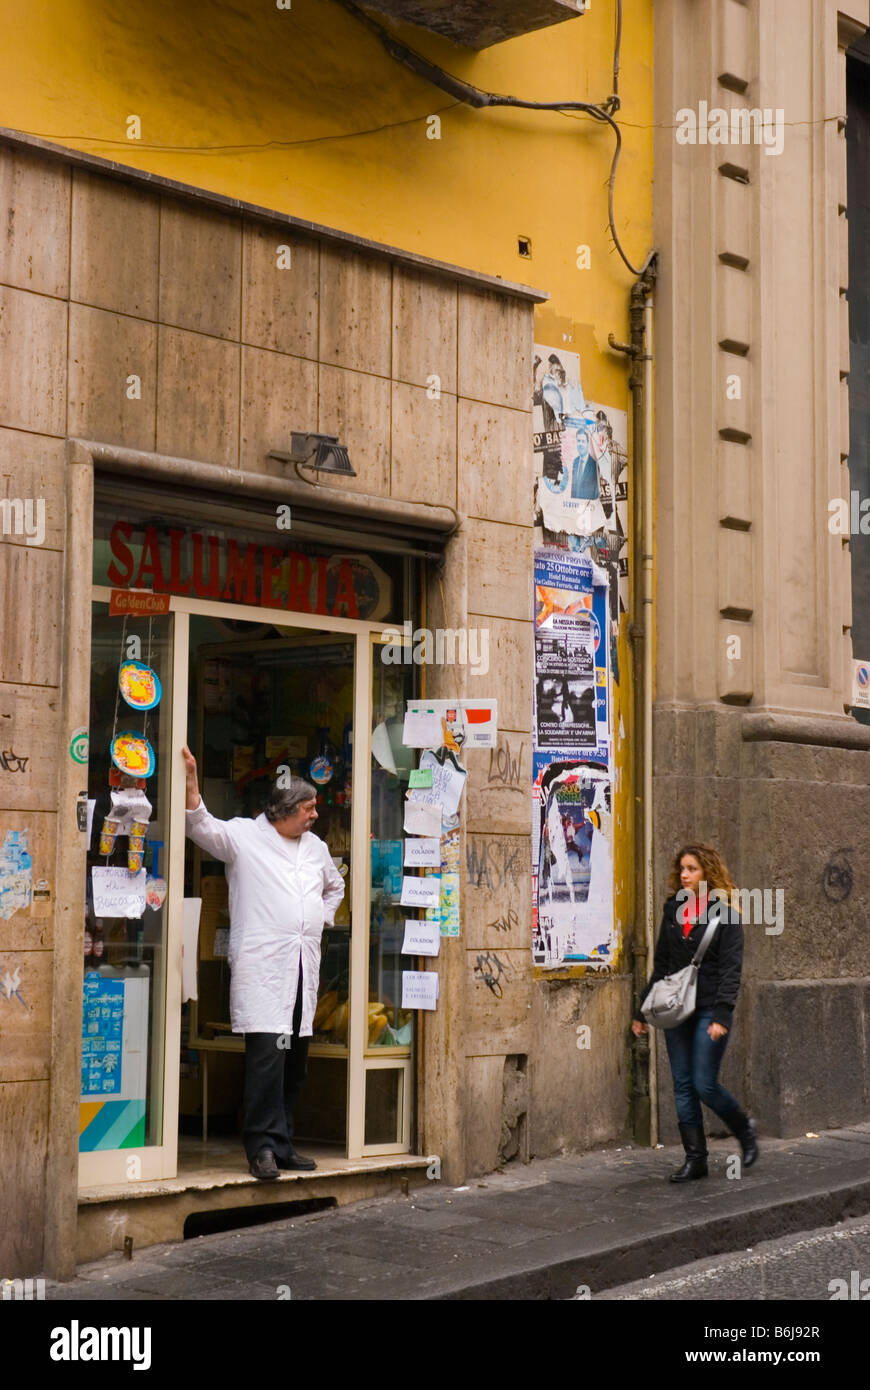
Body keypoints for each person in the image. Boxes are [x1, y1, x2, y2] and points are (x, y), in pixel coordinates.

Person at [181, 745, 345, 1180]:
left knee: (295, 1063)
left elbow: (335, 887)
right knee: (267, 1062)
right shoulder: (245, 838)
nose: (314, 816)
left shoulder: (315, 848)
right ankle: (261, 1148)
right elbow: (201, 827)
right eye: (307, 809)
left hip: (301, 970)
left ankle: (285, 1142)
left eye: (314, 809)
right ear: (282, 811)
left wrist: (319, 920)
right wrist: (192, 787)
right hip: (264, 971)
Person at [631, 842, 759, 1183]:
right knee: (683, 1085)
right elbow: (662, 965)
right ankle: (695, 1158)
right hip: (676, 1010)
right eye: (682, 869)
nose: (685, 875)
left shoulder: (727, 914)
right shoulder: (673, 910)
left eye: (692, 869)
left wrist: (722, 1016)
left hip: (709, 1011)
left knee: (704, 1084)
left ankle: (744, 1129)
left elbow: (731, 971)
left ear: (708, 873)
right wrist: (641, 1011)